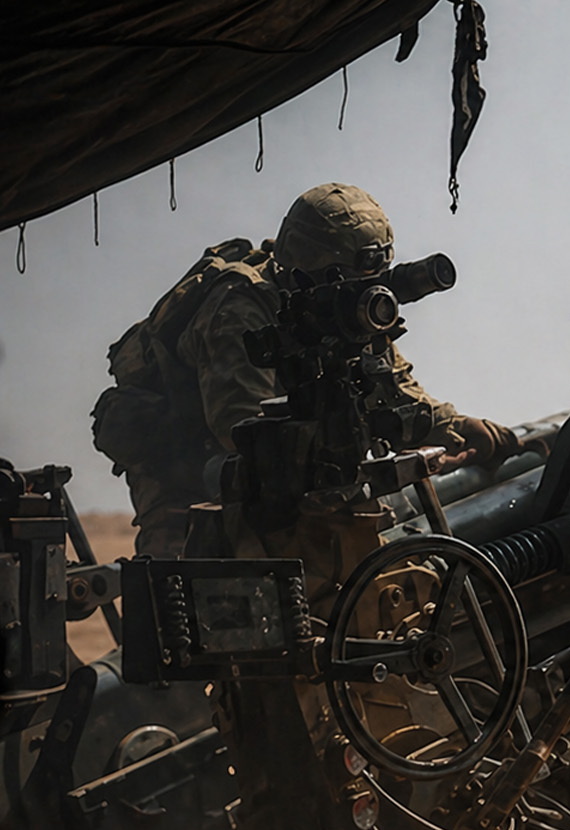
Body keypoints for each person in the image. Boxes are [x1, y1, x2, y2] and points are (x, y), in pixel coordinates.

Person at [92, 182, 521, 555]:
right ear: (314, 266)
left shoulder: (346, 309)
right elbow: (241, 429)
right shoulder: (242, 308)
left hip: (281, 462)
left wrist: (454, 426)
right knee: (186, 588)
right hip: (185, 460)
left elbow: (393, 385)